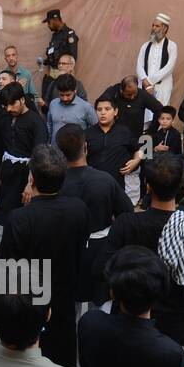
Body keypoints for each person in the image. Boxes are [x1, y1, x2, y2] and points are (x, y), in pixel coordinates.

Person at [99, 153, 184, 367]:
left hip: (127, 316)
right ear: (182, 189)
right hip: (171, 323)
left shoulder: (126, 223)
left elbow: (102, 267)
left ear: (147, 186)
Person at [0, 145, 90, 367]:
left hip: (30, 303)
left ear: (32, 178)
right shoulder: (78, 209)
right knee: (63, 360)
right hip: (65, 297)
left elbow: (4, 270)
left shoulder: (19, 218)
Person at [56, 124, 132, 307]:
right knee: (98, 304)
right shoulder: (105, 180)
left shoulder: (55, 182)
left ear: (60, 151)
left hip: (65, 249)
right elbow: (127, 213)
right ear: (85, 147)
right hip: (100, 250)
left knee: (68, 304)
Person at [0, 82, 49, 224]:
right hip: (8, 172)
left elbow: (39, 154)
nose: (9, 108)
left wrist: (31, 183)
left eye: (12, 104)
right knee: (7, 218)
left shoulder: (36, 122)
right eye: (6, 105)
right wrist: (1, 170)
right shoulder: (5, 118)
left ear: (23, 100)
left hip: (26, 175)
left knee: (24, 218)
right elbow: (5, 147)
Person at [84, 94, 142, 200]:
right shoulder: (87, 134)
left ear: (115, 111)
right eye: (99, 109)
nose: (103, 113)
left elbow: (138, 150)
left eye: (107, 109)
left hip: (118, 186)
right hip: (93, 186)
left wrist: (136, 161)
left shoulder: (124, 132)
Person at [135, 13, 178, 111]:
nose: (153, 28)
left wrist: (150, 81)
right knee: (144, 114)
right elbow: (139, 65)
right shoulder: (145, 46)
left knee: (160, 113)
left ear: (165, 29)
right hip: (145, 85)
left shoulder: (171, 46)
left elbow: (169, 67)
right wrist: (146, 82)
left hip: (163, 86)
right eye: (153, 25)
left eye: (157, 26)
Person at [45, 73, 98, 139]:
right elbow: (50, 125)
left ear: (75, 91)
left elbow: (95, 128)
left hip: (77, 148)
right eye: (61, 95)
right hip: (54, 148)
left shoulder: (86, 107)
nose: (65, 98)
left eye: (68, 95)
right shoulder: (53, 104)